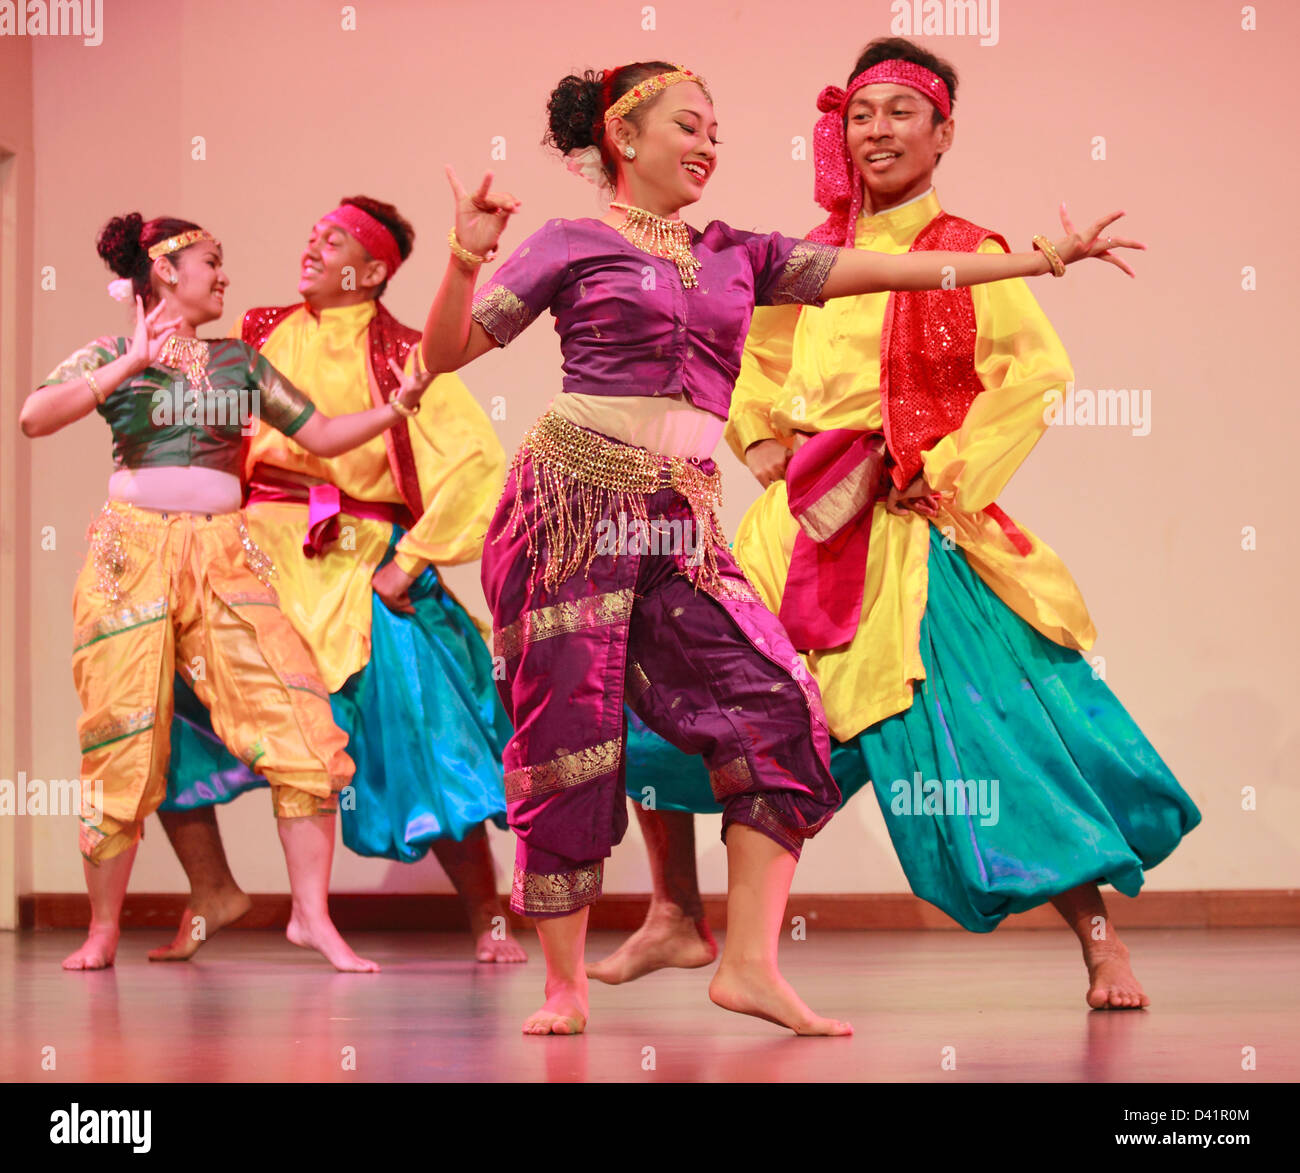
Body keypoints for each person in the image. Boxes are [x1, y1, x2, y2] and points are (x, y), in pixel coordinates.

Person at [419, 59, 1138, 1035]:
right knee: (585, 734)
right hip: (594, 509)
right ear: (625, 140)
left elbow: (922, 289)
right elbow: (453, 356)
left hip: (767, 517)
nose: (710, 143)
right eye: (689, 126)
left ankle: (759, 962)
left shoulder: (744, 254)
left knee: (853, 717)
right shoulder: (577, 243)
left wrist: (1037, 264)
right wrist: (462, 261)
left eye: (717, 127)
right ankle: (593, 966)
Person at [595, 39, 1200, 1010]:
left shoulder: (969, 250)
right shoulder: (810, 255)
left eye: (900, 112)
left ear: (943, 131)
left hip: (912, 541)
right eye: (861, 113)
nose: (876, 130)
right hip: (799, 532)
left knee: (1002, 743)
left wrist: (940, 467)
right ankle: (674, 911)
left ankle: (1099, 942)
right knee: (664, 697)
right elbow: (756, 360)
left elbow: (1034, 375)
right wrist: (760, 446)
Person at [21, 212, 434, 971]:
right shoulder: (112, 354)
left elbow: (324, 434)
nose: (226, 275)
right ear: (167, 271)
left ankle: (313, 918)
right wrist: (127, 364)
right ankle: (102, 930)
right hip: (129, 553)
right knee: (118, 735)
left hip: (222, 551)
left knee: (301, 722)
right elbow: (32, 418)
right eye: (213, 260)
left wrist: (398, 406)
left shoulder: (240, 361)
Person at [148, 196, 525, 965]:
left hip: (359, 561)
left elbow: (478, 463)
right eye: (311, 236)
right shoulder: (259, 334)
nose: (311, 251)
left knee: (425, 732)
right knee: (168, 707)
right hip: (250, 554)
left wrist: (410, 562)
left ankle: (488, 912)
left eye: (332, 242)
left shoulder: (408, 357)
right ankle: (213, 886)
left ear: (374, 269)